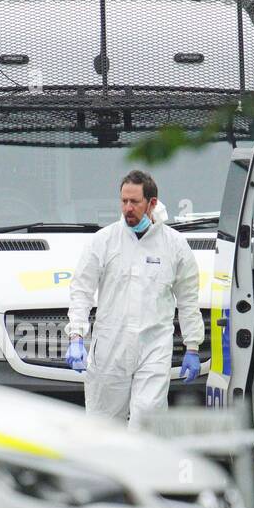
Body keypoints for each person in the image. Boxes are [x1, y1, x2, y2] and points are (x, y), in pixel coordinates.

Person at [65, 170, 202, 424]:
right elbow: (81, 290)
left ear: (152, 203)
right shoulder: (104, 242)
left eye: (134, 202)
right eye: (124, 201)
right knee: (103, 423)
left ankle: (145, 465)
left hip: (154, 347)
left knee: (147, 419)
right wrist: (76, 336)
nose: (128, 208)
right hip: (109, 347)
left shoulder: (174, 245)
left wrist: (192, 346)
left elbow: (188, 299)